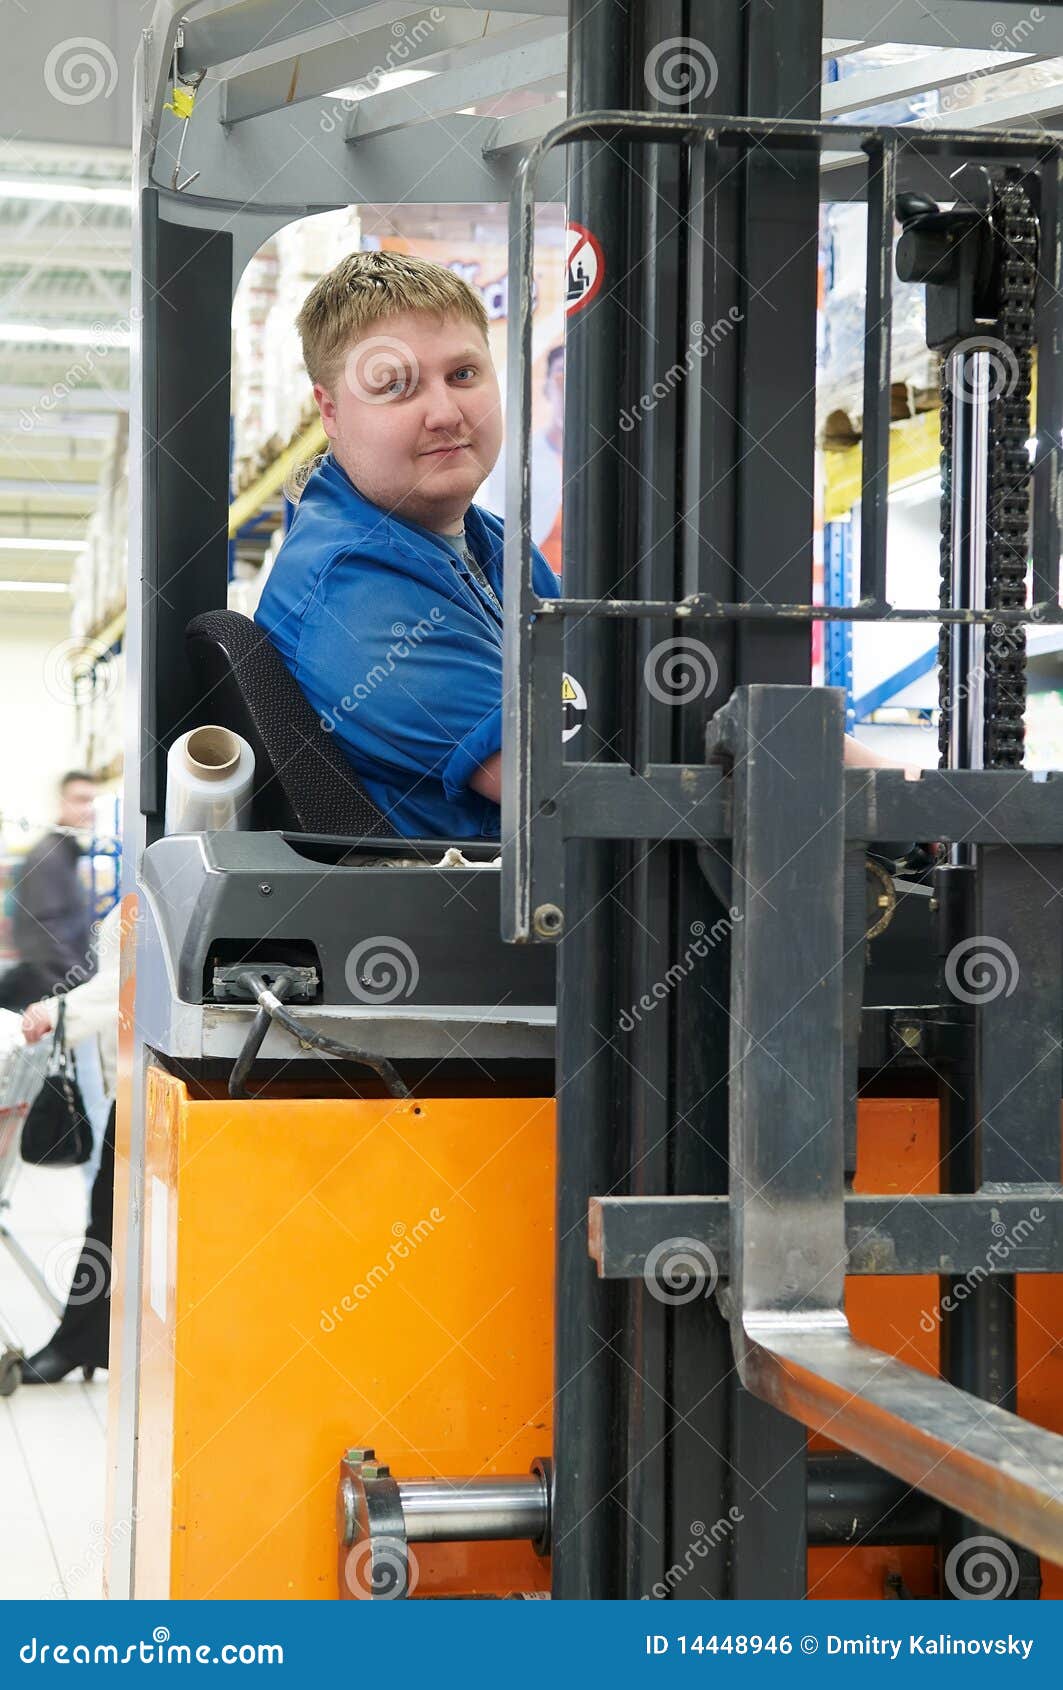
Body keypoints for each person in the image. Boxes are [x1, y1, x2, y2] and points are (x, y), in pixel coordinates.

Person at [254, 250, 561, 840]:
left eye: (464, 375)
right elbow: (562, 783)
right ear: (332, 412)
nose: (446, 413)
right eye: (397, 387)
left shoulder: (484, 541)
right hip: (470, 925)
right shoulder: (354, 590)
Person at [16, 899, 120, 1385]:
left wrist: (58, 1010)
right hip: (144, 1080)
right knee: (110, 1216)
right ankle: (82, 1339)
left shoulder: (174, 882)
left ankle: (80, 1341)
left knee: (111, 1217)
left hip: (161, 1077)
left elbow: (132, 983)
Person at [0, 771, 96, 1012]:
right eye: (80, 799)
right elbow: (44, 931)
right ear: (61, 803)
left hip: (56, 990)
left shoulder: (65, 853)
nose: (89, 808)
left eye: (92, 800)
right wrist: (80, 983)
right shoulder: (49, 857)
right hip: (48, 993)